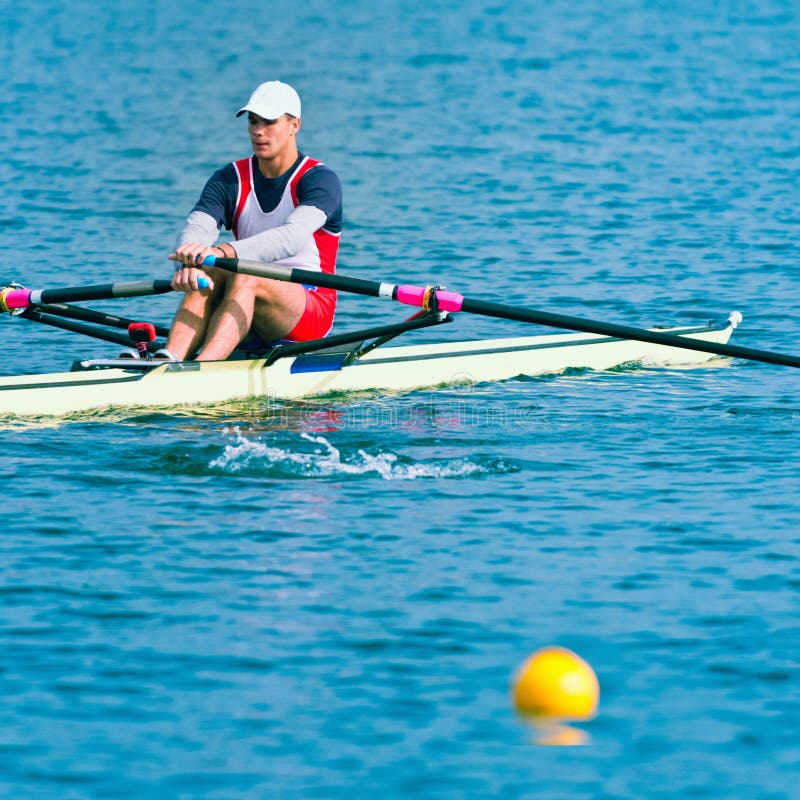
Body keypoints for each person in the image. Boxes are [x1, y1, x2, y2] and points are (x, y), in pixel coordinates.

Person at [163, 80, 342, 361]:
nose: (258, 131)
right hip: (242, 298)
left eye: (269, 122)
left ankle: (203, 369)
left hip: (308, 308)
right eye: (253, 121)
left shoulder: (320, 181)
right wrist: (188, 260)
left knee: (240, 269)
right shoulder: (229, 178)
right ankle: (169, 358)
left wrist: (221, 252)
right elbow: (197, 228)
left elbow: (291, 238)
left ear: (294, 125)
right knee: (208, 269)